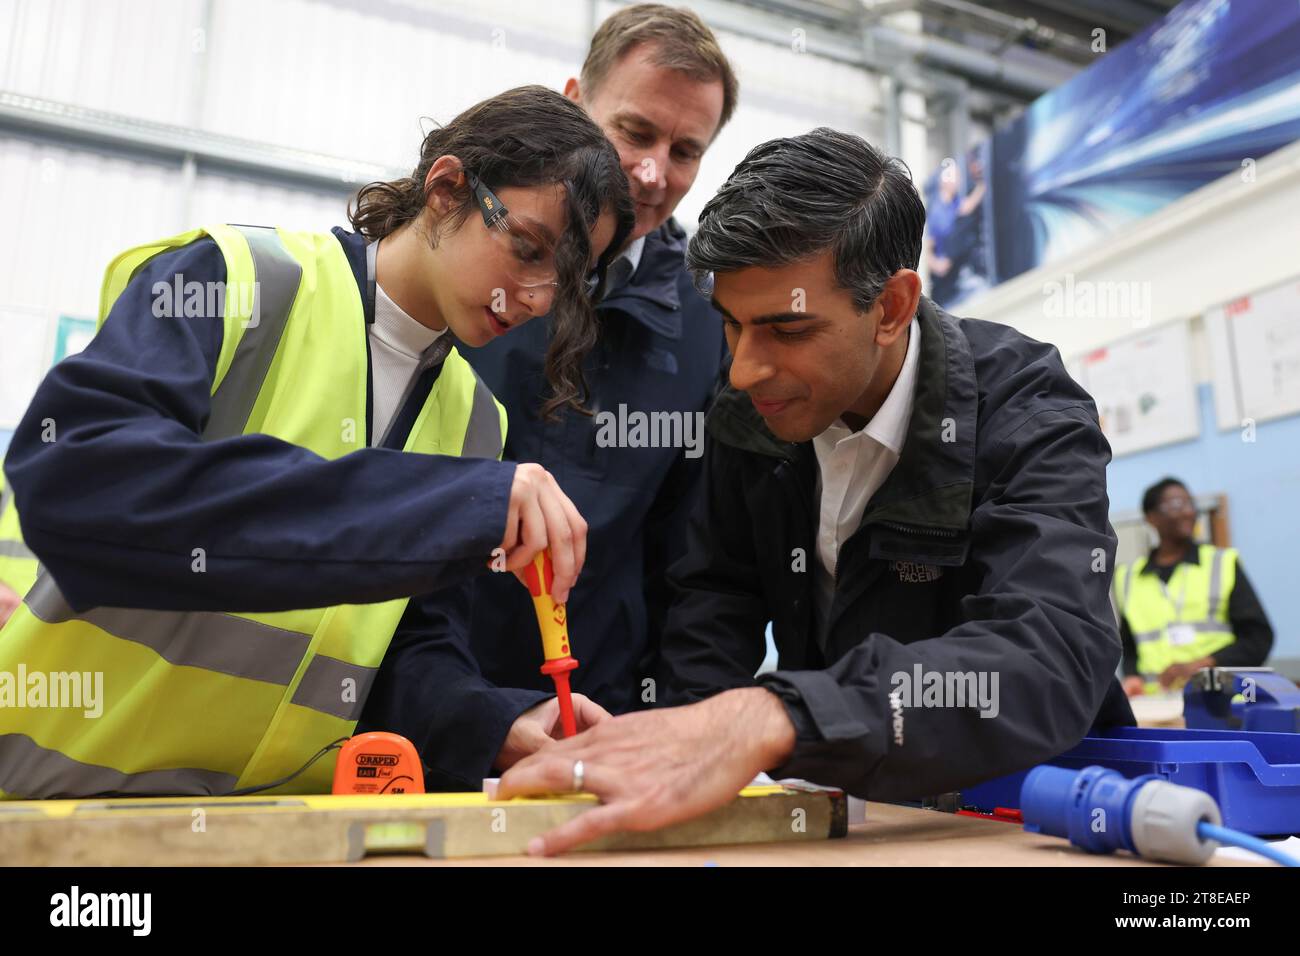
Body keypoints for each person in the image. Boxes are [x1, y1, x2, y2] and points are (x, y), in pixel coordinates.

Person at [495, 128, 1134, 855]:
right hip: (852, 823)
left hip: (1032, 817)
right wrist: (679, 757)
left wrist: (776, 716)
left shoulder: (1029, 411)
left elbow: (1046, 656)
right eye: (731, 326)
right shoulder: (748, 415)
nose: (742, 371)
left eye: (786, 328)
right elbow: (716, 599)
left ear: (891, 307)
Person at [0, 86, 633, 799]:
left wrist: (497, 726)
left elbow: (404, 654)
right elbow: (79, 482)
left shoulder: (476, 424)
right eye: (526, 248)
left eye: (567, 279)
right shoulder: (235, 282)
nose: (541, 298)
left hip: (267, 829)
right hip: (43, 806)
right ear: (448, 188)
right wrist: (447, 503)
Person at [463, 4, 735, 715]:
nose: (652, 174)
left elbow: (692, 569)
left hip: (597, 717)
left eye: (685, 151)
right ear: (574, 104)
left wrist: (672, 729)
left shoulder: (710, 331)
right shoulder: (463, 261)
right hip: (425, 701)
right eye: (635, 133)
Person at [1115, 477, 1273, 696]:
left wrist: (1202, 665)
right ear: (1151, 518)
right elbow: (1130, 646)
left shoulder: (1222, 563)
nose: (1188, 512)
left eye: (1190, 504)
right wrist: (1132, 677)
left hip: (1217, 703)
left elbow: (1258, 638)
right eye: (1176, 505)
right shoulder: (1127, 577)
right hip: (1158, 708)